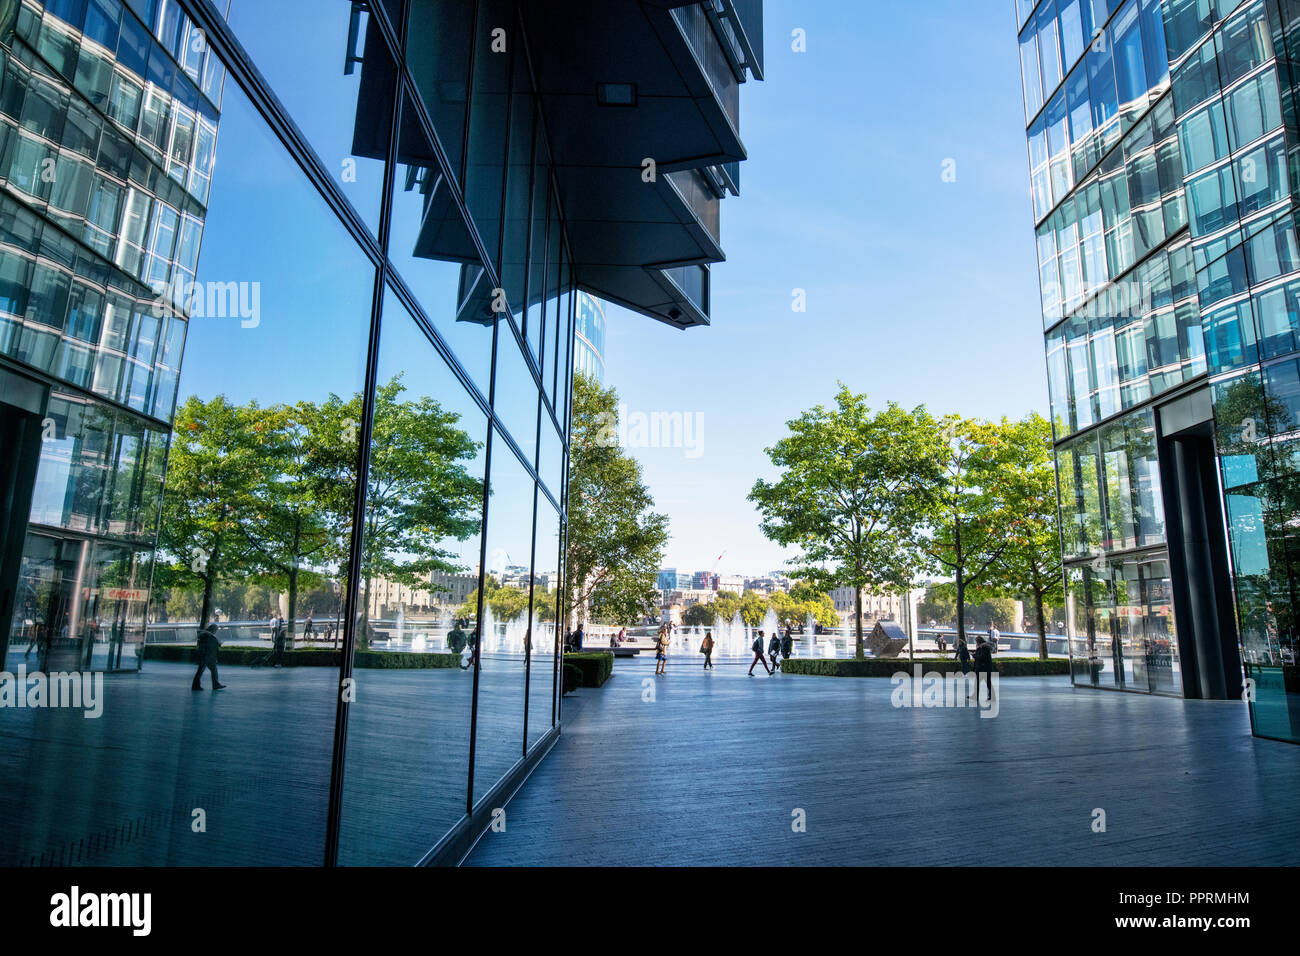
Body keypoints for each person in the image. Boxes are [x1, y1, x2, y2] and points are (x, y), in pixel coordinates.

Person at [192, 624, 226, 691]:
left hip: (202, 655)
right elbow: (213, 645)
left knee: (200, 671)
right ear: (213, 629)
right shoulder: (209, 635)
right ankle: (215, 684)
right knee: (213, 669)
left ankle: (195, 686)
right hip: (206, 656)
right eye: (215, 630)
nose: (215, 631)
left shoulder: (204, 634)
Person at [972, 634, 995, 703]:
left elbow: (982, 657)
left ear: (978, 641)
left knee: (986, 683)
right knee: (986, 682)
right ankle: (989, 696)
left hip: (983, 668)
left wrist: (974, 656)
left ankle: (990, 696)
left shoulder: (983, 647)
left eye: (976, 641)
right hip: (985, 668)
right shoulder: (984, 647)